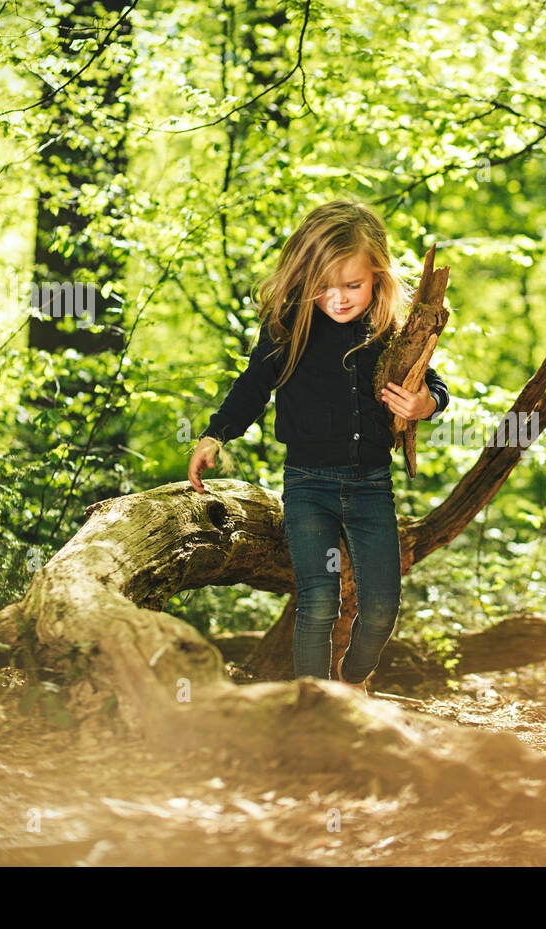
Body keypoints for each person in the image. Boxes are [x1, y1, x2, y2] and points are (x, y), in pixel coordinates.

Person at [187, 199, 450, 695]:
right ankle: (313, 703)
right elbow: (252, 387)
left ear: (377, 275)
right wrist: (214, 434)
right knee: (319, 600)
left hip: (372, 485)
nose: (339, 298)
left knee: (381, 605)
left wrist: (426, 403)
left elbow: (432, 380)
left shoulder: (387, 328)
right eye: (324, 287)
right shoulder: (290, 326)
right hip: (308, 484)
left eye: (353, 285)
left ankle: (351, 681)